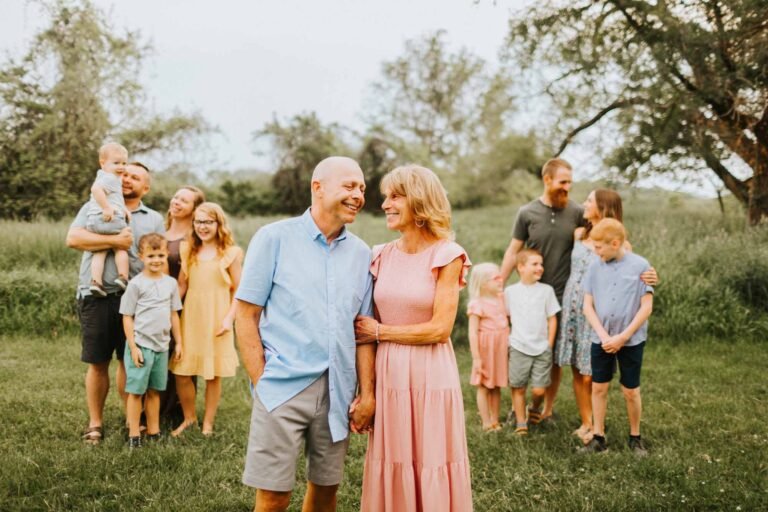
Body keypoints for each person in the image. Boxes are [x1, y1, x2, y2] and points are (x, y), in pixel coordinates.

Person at [234, 156, 375, 512]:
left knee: (326, 491)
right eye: (349, 186)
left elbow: (363, 332)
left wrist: (367, 394)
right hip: (282, 384)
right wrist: (261, 379)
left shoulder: (361, 254)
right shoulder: (273, 238)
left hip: (339, 391)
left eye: (361, 188)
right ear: (318, 187)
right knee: (273, 497)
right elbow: (246, 314)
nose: (358, 195)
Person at [355, 164, 473, 512]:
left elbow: (440, 329)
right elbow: (362, 332)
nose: (385, 205)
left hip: (430, 372)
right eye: (385, 197)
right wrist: (367, 393)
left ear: (419, 202)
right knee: (393, 459)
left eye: (395, 197)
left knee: (432, 457)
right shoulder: (378, 255)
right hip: (389, 373)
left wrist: (381, 331)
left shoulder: (446, 255)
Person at [67, 161, 165, 444]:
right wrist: (115, 240)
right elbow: (73, 238)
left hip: (136, 301)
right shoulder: (94, 206)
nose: (127, 179)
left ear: (145, 187)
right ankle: (95, 423)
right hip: (95, 295)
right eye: (124, 174)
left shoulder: (153, 219)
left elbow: (156, 259)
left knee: (128, 361)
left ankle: (130, 419)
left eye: (135, 177)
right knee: (97, 361)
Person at [499, 158, 585, 421]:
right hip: (530, 294)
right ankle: (518, 407)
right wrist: (499, 284)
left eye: (570, 182)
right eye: (562, 182)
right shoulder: (527, 213)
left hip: (562, 294)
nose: (567, 187)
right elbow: (514, 250)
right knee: (523, 347)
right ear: (547, 180)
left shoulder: (577, 212)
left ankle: (545, 408)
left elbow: (598, 243)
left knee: (554, 354)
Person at [169, 202, 242, 437]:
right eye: (198, 222)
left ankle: (208, 423)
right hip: (191, 316)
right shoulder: (188, 250)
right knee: (181, 371)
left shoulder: (231, 253)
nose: (202, 227)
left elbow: (238, 291)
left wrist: (229, 319)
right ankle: (189, 418)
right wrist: (166, 310)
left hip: (217, 318)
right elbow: (182, 284)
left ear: (218, 224)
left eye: (208, 222)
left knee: (213, 374)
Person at [581, 219, 654, 455]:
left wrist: (623, 337)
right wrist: (603, 335)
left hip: (630, 340)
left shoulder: (641, 266)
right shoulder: (594, 266)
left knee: (630, 390)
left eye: (599, 247)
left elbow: (646, 307)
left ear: (615, 243)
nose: (596, 252)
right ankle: (598, 436)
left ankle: (635, 437)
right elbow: (587, 305)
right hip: (600, 338)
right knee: (599, 388)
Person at [120, 233, 183, 448]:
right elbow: (127, 317)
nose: (156, 260)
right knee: (137, 392)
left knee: (155, 391)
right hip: (141, 345)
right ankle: (134, 434)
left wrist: (179, 342)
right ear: (141, 257)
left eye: (161, 255)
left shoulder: (171, 284)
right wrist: (133, 346)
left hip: (162, 346)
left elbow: (174, 314)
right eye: (151, 256)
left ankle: (154, 430)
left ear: (166, 255)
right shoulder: (136, 284)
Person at [159, 185, 205, 419]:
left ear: (194, 209)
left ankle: (177, 411)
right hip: (154, 303)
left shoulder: (194, 239)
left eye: (184, 201)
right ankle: (153, 410)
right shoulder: (161, 232)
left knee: (179, 357)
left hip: (182, 305)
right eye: (176, 196)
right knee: (157, 354)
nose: (176, 202)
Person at [505, 249, 561, 436]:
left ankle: (535, 409)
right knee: (518, 386)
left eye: (541, 264)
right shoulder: (510, 292)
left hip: (541, 348)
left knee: (539, 390)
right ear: (520, 267)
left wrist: (549, 344)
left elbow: (552, 318)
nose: (540, 268)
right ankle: (521, 423)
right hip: (519, 346)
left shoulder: (546, 291)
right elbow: (504, 317)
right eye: (534, 264)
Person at [84, 142, 131, 297]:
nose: (121, 167)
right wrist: (106, 208)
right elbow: (96, 190)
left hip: (94, 221)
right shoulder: (111, 178)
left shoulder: (102, 176)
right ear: (102, 163)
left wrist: (123, 209)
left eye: (124, 163)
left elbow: (113, 198)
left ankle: (96, 282)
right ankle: (123, 277)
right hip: (110, 219)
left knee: (100, 251)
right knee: (121, 248)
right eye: (116, 163)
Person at [466, 262, 509, 432]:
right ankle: (485, 422)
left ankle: (495, 420)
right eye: (495, 278)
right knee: (484, 385)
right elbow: (473, 333)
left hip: (499, 348)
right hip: (485, 349)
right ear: (483, 283)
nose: (501, 280)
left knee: (496, 384)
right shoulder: (477, 304)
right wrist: (477, 358)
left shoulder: (501, 298)